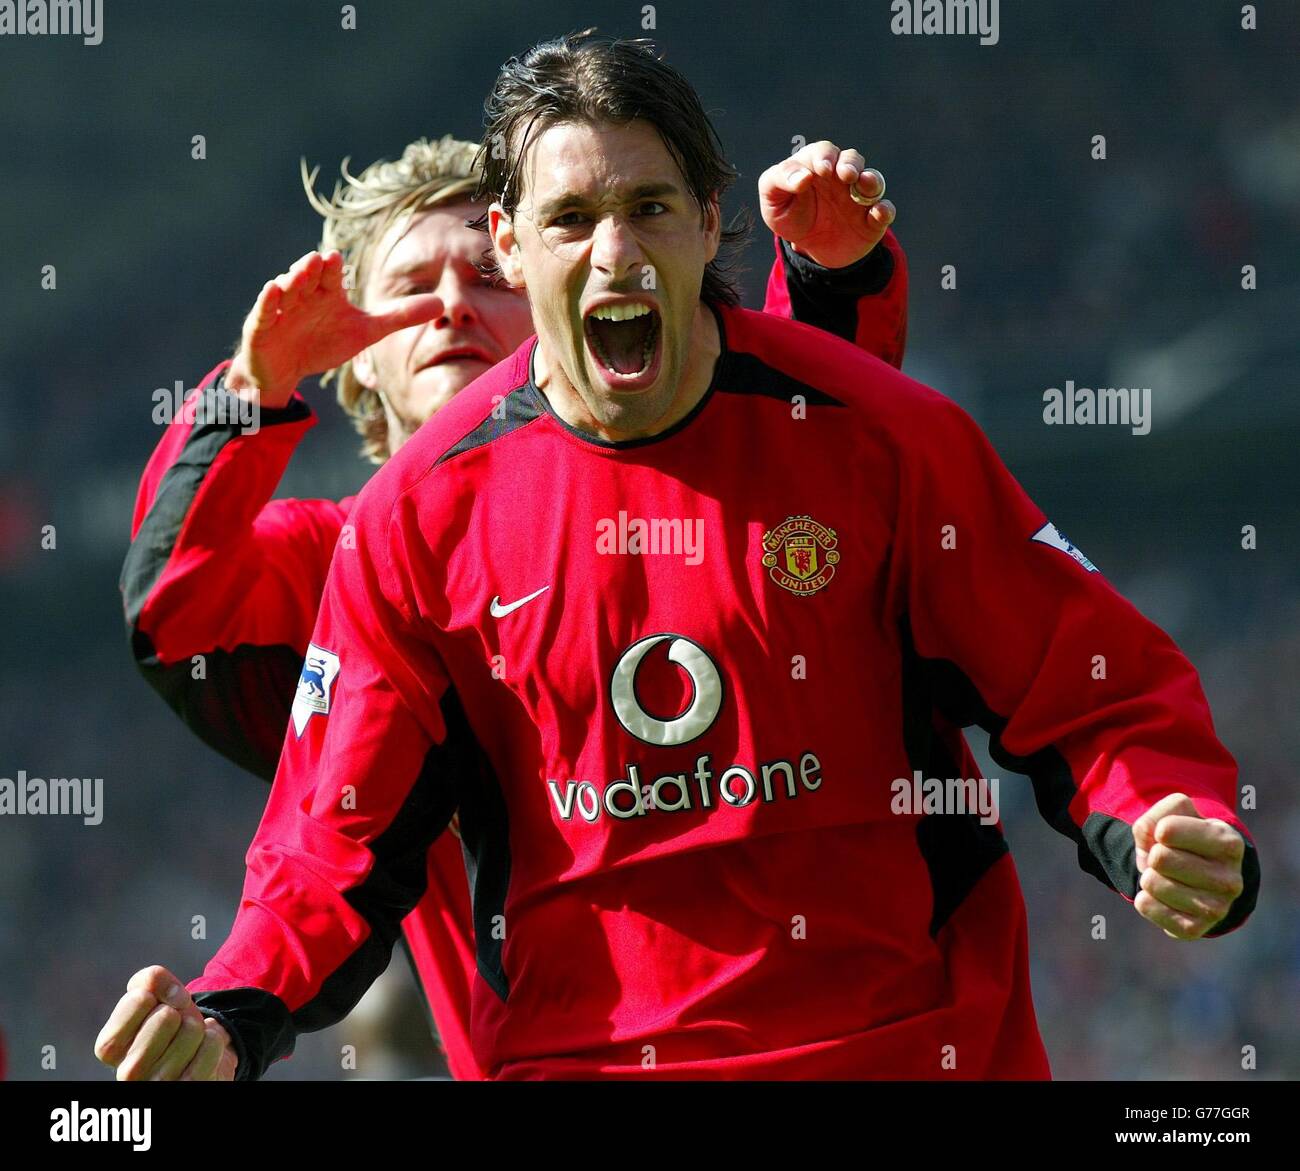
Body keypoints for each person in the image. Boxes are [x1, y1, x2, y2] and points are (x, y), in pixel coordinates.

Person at [100, 29, 1259, 1083]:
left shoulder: (884, 440)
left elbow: (1082, 672)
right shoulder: (400, 525)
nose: (613, 253)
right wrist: (233, 1011)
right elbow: (323, 832)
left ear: (709, 222)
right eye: (567, 221)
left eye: (649, 208)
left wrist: (1161, 811)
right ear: (523, 237)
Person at [108, 121, 912, 1080]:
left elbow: (809, 445)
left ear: (551, 295)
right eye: (409, 291)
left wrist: (832, 279)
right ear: (354, 357)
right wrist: (252, 390)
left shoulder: (674, 487)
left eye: (487, 277)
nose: (449, 307)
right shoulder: (337, 562)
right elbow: (172, 607)